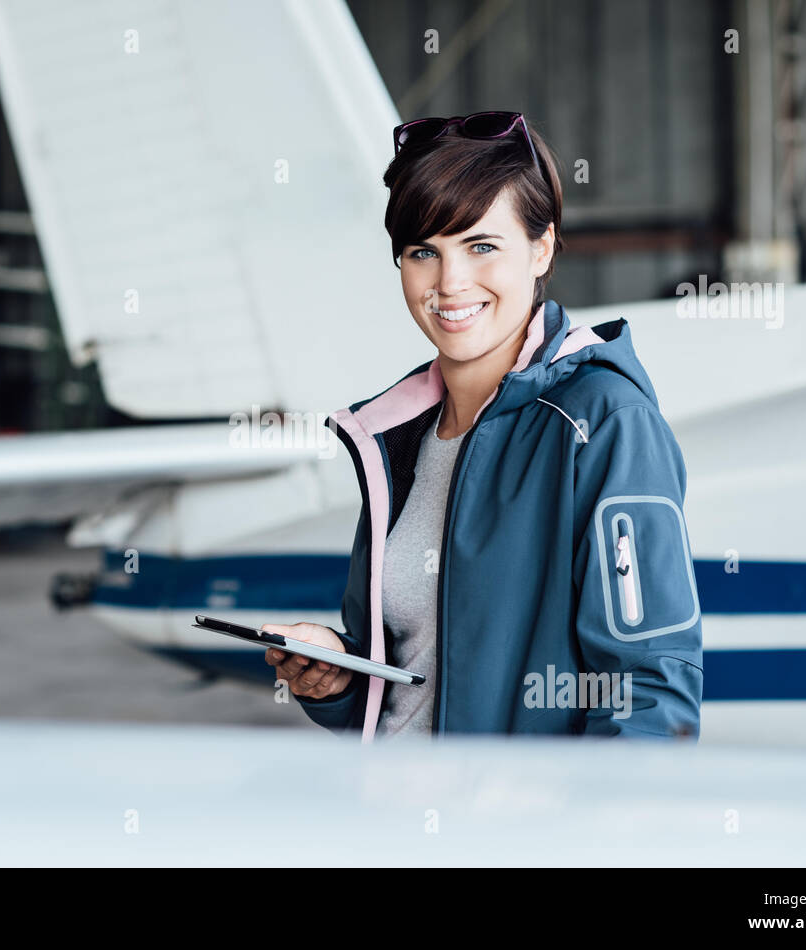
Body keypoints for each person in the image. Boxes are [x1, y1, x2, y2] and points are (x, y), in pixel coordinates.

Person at [263, 112, 702, 742]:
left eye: (482, 246)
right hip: (390, 826)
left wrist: (568, 830)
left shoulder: (603, 422)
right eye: (424, 253)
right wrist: (338, 680)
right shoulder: (396, 437)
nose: (450, 284)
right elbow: (416, 679)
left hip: (508, 841)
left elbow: (652, 692)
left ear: (542, 247)